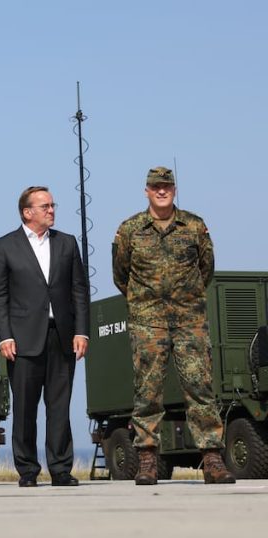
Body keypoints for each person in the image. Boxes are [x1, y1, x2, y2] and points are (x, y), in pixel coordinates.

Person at [112, 166, 235, 485]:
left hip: (189, 321)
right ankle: (148, 459)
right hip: (148, 323)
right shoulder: (130, 229)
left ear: (174, 189)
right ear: (147, 191)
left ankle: (211, 458)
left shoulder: (194, 226)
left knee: (200, 387)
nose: (161, 190)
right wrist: (145, 301)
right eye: (156, 186)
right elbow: (120, 275)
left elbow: (206, 268)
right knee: (147, 391)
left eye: (166, 185)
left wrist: (185, 298)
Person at [0, 186, 89, 487]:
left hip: (62, 337)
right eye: (45, 205)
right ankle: (28, 471)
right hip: (21, 340)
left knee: (59, 406)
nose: (51, 210)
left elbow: (79, 291)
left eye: (52, 205)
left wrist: (81, 331)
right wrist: (4, 336)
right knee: (25, 408)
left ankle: (60, 469)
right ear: (27, 212)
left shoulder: (68, 243)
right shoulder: (4, 246)